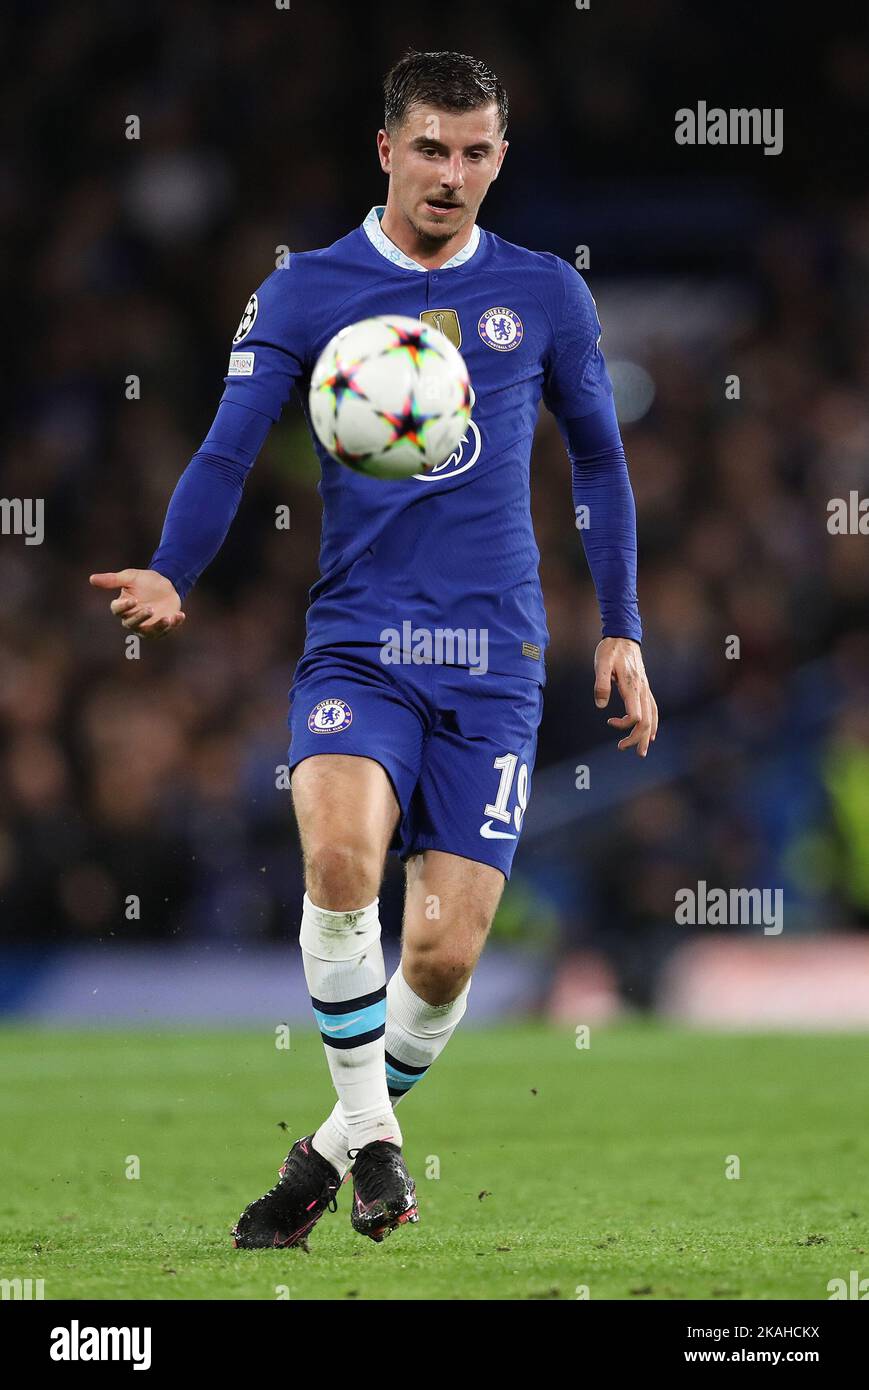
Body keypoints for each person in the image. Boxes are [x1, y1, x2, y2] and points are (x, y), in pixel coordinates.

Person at [90, 48, 658, 1249]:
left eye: (476, 153)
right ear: (386, 150)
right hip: (363, 646)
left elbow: (601, 461)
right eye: (431, 150)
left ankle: (324, 1157)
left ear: (499, 156)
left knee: (443, 960)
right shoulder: (306, 291)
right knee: (340, 866)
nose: (451, 175)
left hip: (496, 662)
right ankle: (383, 1149)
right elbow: (230, 445)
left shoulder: (546, 293)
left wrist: (622, 627)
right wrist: (171, 569)